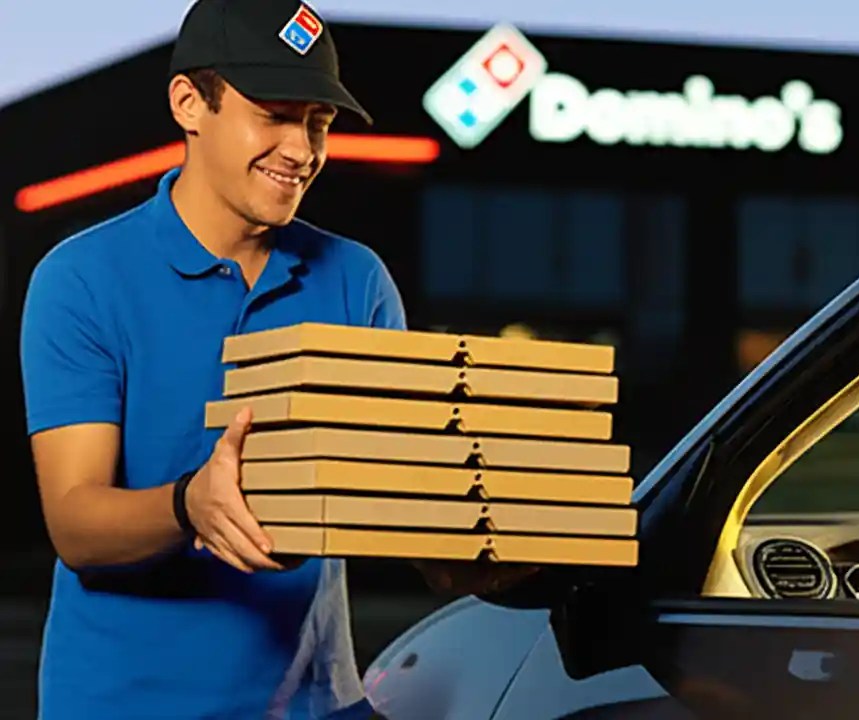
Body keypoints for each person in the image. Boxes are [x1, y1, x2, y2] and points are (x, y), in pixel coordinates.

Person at [19, 1, 531, 717]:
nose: (302, 148)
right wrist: (188, 503)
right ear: (189, 103)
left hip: (319, 704)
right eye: (276, 114)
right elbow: (77, 523)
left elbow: (401, 502)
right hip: (122, 704)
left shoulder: (357, 280)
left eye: (319, 123)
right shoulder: (82, 279)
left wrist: (487, 548)